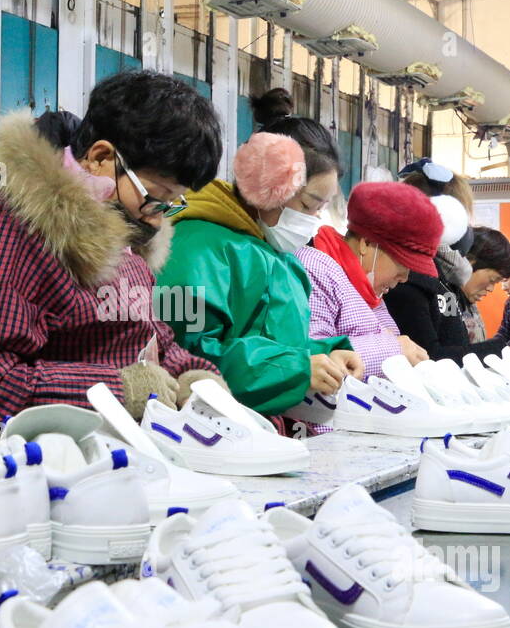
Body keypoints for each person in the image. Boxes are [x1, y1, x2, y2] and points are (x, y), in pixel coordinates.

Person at [0, 70, 223, 426]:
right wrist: (115, 391)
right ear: (99, 157)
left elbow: (152, 343)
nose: (156, 220)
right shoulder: (4, 229)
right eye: (155, 197)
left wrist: (194, 377)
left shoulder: (126, 239)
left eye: (170, 204)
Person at [155, 90, 362, 416]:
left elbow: (277, 345)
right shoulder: (196, 248)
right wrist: (296, 371)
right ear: (269, 186)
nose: (314, 221)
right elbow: (187, 358)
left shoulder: (277, 255)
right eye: (308, 205)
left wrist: (326, 356)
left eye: (321, 209)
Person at [298, 181, 443, 379]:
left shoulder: (367, 288)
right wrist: (394, 349)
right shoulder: (314, 269)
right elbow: (314, 361)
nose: (404, 278)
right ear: (367, 243)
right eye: (403, 266)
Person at [384, 225, 510, 364]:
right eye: (492, 280)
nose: (490, 289)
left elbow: (456, 346)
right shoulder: (416, 284)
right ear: (469, 261)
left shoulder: (446, 287)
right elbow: (429, 356)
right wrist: (499, 351)